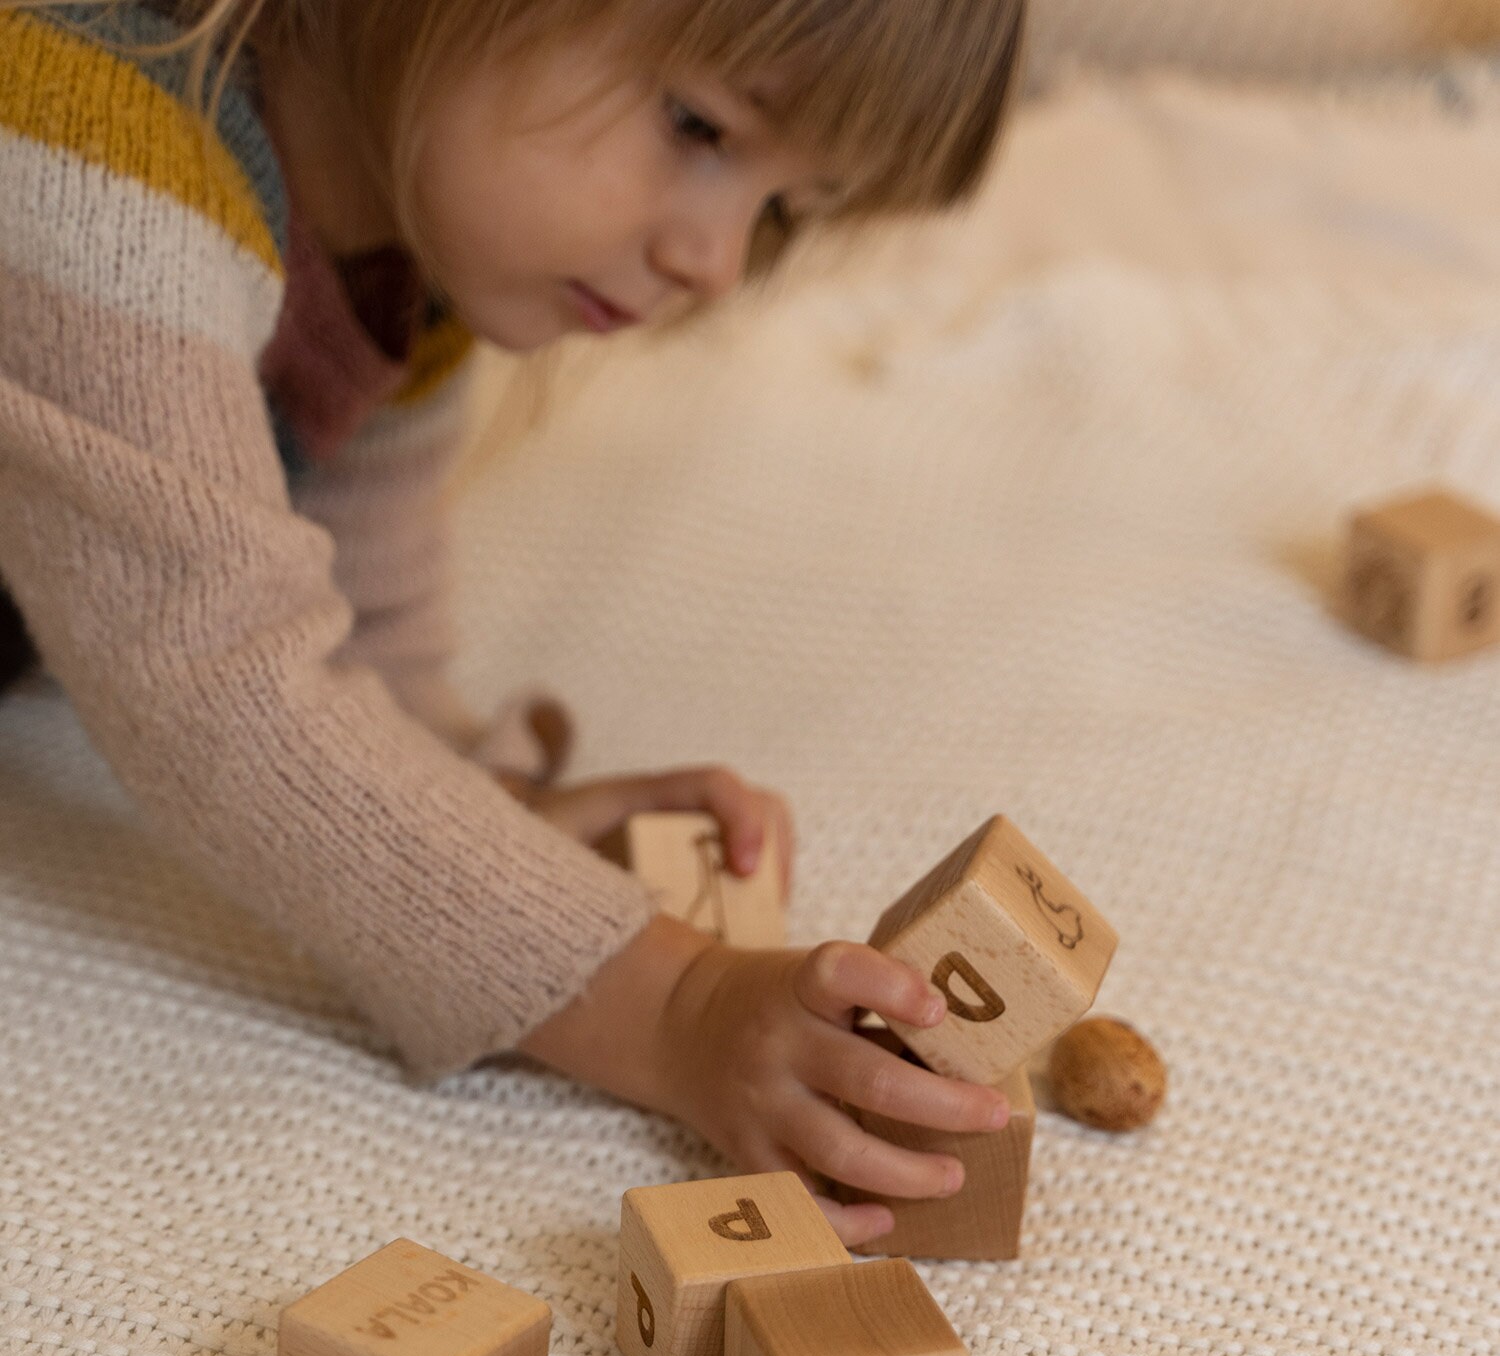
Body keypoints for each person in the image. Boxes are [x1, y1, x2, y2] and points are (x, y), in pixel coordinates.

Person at [0, 0, 1025, 1245]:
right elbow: (227, 690)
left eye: (779, 209)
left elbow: (346, 610)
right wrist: (673, 1003)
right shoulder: (83, 140)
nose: (715, 256)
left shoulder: (404, 228)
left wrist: (483, 807)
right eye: (697, 123)